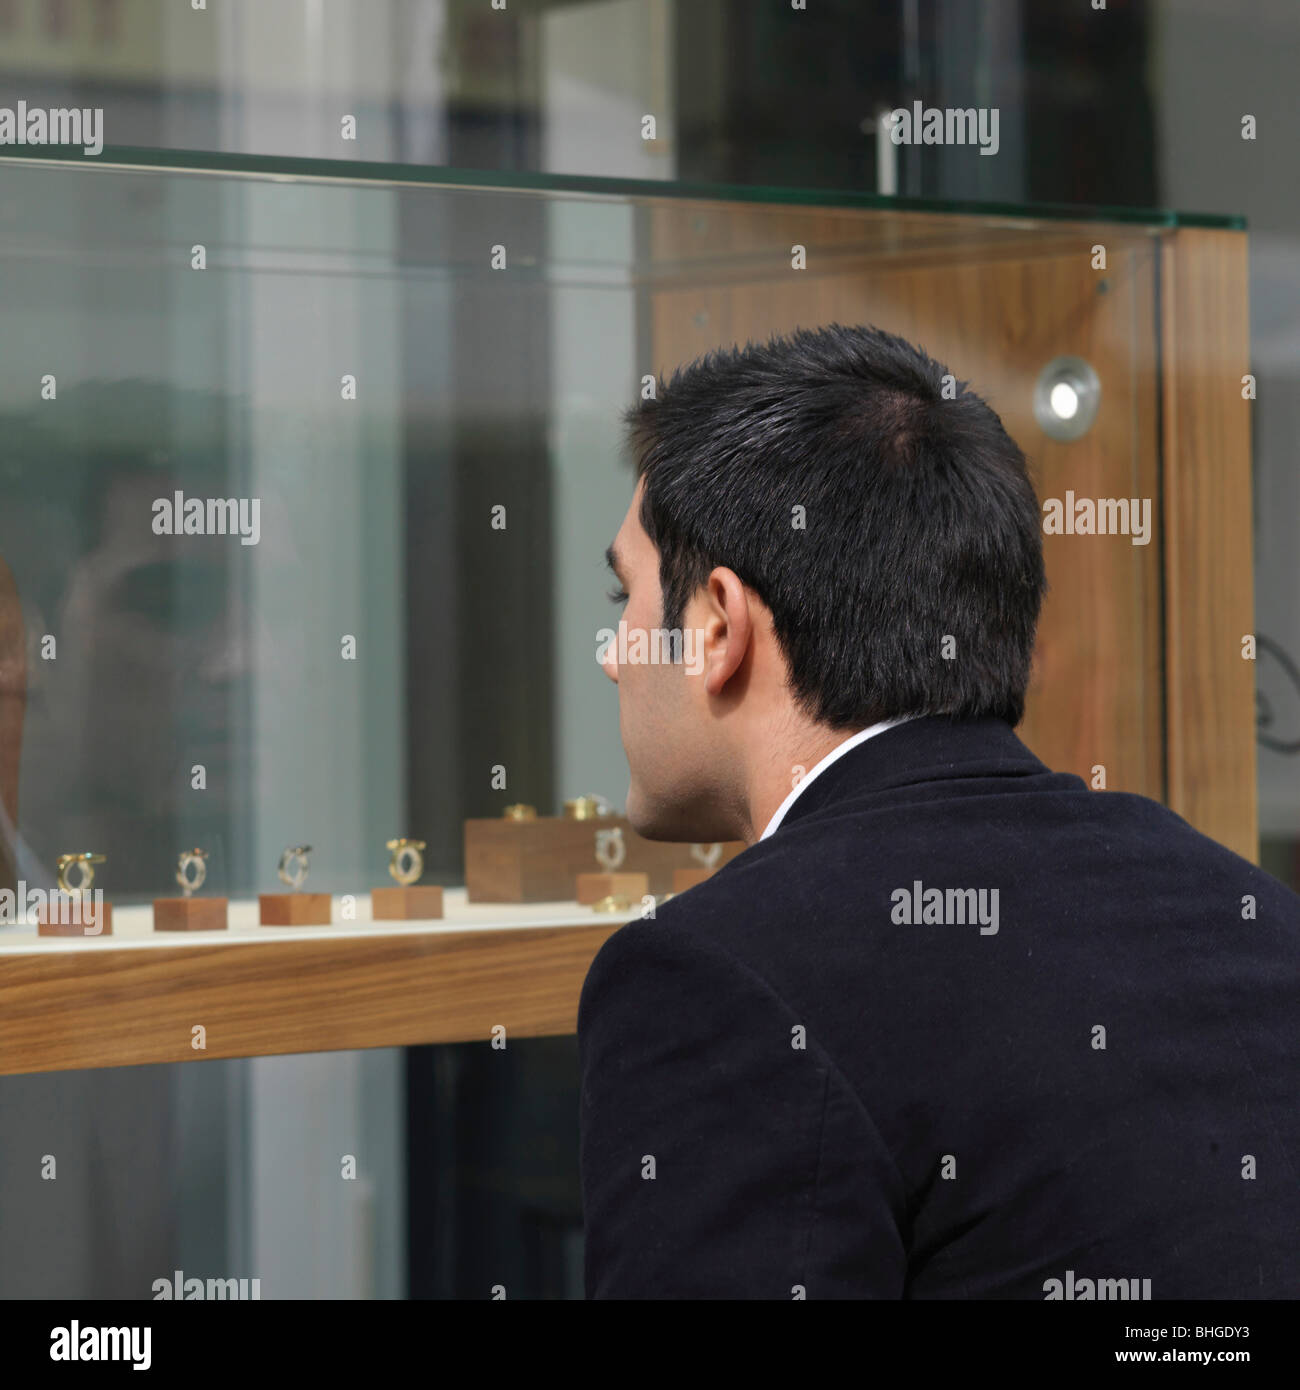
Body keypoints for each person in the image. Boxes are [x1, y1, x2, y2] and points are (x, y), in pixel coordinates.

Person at [577, 323, 1300, 1299]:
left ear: (714, 624)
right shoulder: (1242, 910)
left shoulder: (711, 978)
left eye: (623, 596)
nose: (613, 654)